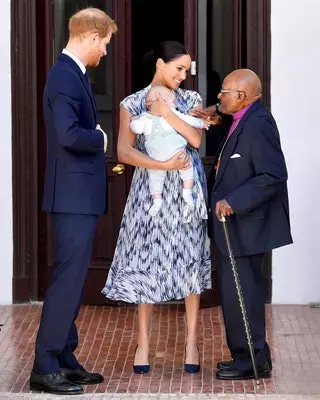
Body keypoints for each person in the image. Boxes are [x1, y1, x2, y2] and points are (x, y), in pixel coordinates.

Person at [102, 41, 212, 374]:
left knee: (189, 256)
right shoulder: (132, 103)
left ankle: (191, 341)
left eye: (187, 70)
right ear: (160, 64)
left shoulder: (191, 100)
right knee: (147, 260)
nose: (183, 75)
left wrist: (166, 114)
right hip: (150, 191)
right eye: (178, 68)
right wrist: (160, 166)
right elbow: (123, 151)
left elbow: (195, 141)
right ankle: (143, 343)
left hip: (186, 192)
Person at [29, 8, 117, 395]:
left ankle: (64, 357)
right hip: (72, 197)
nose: (106, 53)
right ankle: (45, 365)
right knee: (67, 281)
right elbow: (68, 135)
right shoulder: (65, 75)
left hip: (78, 196)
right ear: (92, 37)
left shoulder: (74, 74)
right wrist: (100, 138)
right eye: (106, 45)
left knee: (74, 280)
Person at [205, 69, 293, 380]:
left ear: (241, 97)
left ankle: (252, 361)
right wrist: (213, 119)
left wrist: (235, 200)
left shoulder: (258, 123)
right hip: (235, 228)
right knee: (236, 292)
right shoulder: (240, 118)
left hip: (247, 225)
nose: (219, 96)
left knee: (244, 294)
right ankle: (247, 356)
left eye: (224, 92)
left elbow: (273, 175)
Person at [130, 85, 212, 215]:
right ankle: (157, 201)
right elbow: (136, 129)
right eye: (172, 101)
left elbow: (189, 120)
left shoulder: (174, 114)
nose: (175, 104)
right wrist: (135, 121)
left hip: (177, 151)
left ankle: (187, 192)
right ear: (159, 101)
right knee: (155, 178)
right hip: (156, 158)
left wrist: (201, 123)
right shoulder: (145, 118)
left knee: (187, 168)